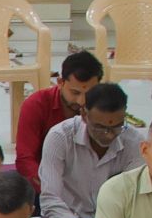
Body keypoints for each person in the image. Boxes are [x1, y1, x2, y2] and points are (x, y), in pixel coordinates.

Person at [39, 85, 145, 218]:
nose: (109, 135)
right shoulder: (60, 137)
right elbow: (49, 199)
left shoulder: (134, 142)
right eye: (99, 127)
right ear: (84, 115)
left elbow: (134, 199)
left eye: (117, 126)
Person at [10, 49, 103, 185]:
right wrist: (50, 187)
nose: (81, 101)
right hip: (45, 182)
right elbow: (25, 159)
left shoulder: (102, 106)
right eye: (75, 92)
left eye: (89, 93)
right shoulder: (36, 104)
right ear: (60, 82)